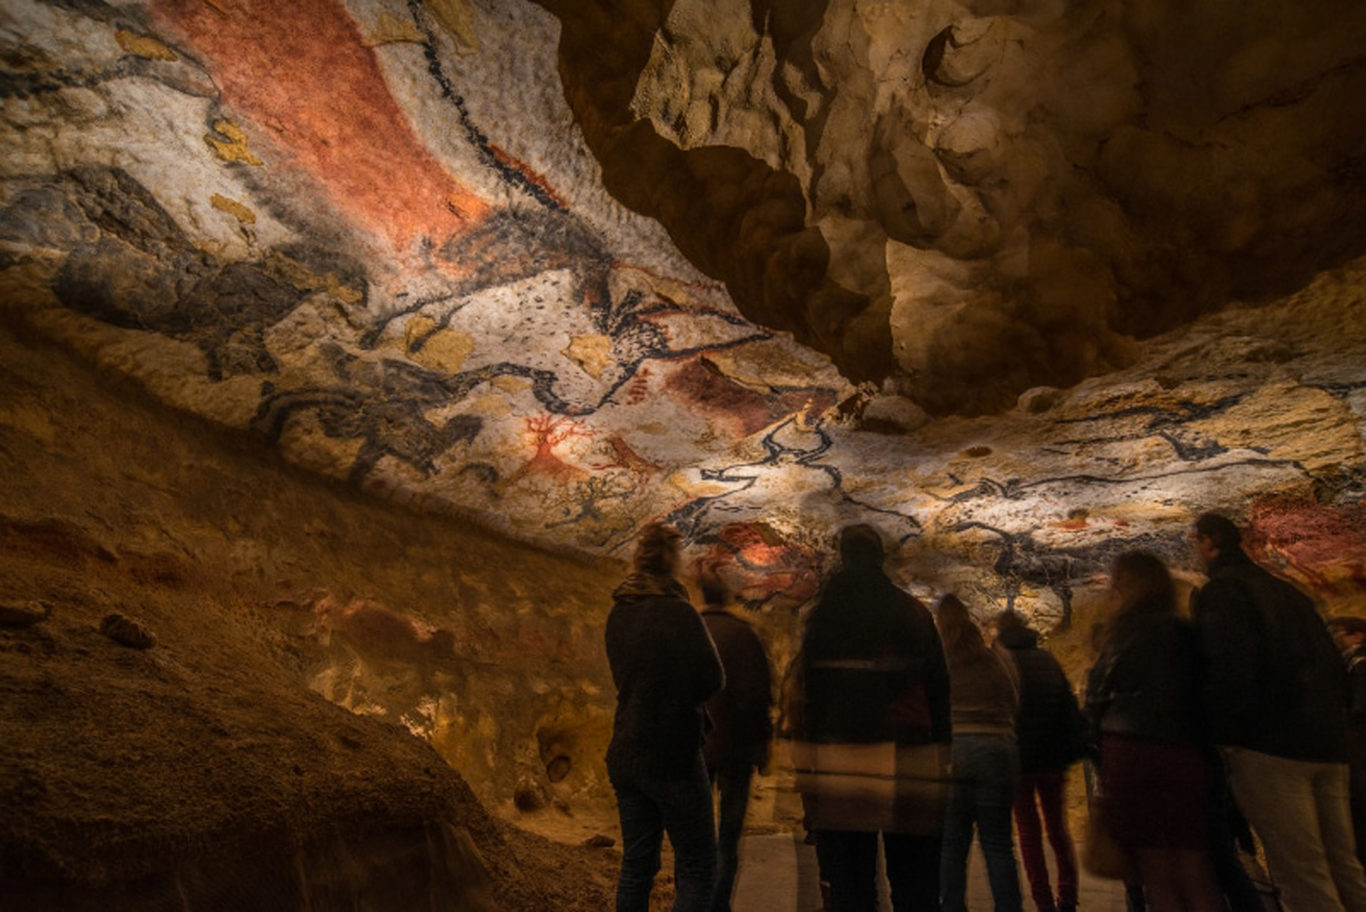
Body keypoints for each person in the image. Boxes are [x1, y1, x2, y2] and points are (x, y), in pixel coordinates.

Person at [1190, 513, 1366, 912]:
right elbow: (1334, 666)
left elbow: (1230, 670)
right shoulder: (1290, 593)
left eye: (1195, 541)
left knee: (1302, 874)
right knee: (1344, 866)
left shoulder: (1225, 591)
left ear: (1210, 542)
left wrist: (1223, 739)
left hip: (1270, 747)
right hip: (1327, 746)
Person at [797, 524, 951, 912]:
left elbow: (812, 696)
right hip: (908, 749)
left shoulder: (825, 616)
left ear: (843, 558)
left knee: (851, 880)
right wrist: (943, 752)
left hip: (846, 753)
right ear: (881, 557)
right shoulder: (913, 612)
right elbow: (938, 689)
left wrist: (811, 762)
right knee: (916, 880)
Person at [1085, 551, 1223, 912]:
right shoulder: (1184, 631)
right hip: (1184, 752)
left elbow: (1099, 693)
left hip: (1132, 751)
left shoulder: (1124, 630)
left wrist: (1093, 743)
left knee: (1155, 866)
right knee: (1193, 863)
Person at [605, 523, 724, 912]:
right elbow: (713, 679)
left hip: (626, 749)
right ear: (672, 560)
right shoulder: (679, 613)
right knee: (698, 867)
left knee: (636, 866)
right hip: (672, 753)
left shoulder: (618, 613)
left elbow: (624, 678)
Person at [938, 595, 1024, 912]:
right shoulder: (995, 659)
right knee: (998, 843)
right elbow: (1014, 700)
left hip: (956, 750)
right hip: (997, 750)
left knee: (952, 843)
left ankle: (952, 906)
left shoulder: (942, 661)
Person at [996, 609, 1082, 912]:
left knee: (1028, 833)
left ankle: (1043, 901)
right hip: (1052, 758)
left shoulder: (1001, 664)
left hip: (1018, 759)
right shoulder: (1047, 660)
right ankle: (1067, 897)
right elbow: (1068, 707)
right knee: (1058, 828)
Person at [698, 574, 773, 912]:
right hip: (736, 747)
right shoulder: (744, 635)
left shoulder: (693, 630)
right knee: (728, 836)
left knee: (696, 834)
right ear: (727, 597)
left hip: (697, 746)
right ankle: (718, 904)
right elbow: (756, 696)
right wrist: (762, 742)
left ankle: (692, 900)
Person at [1327, 616, 1366, 869]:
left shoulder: (1358, 664)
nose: (1333, 639)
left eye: (1337, 632)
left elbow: (1359, 711)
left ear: (1357, 635)